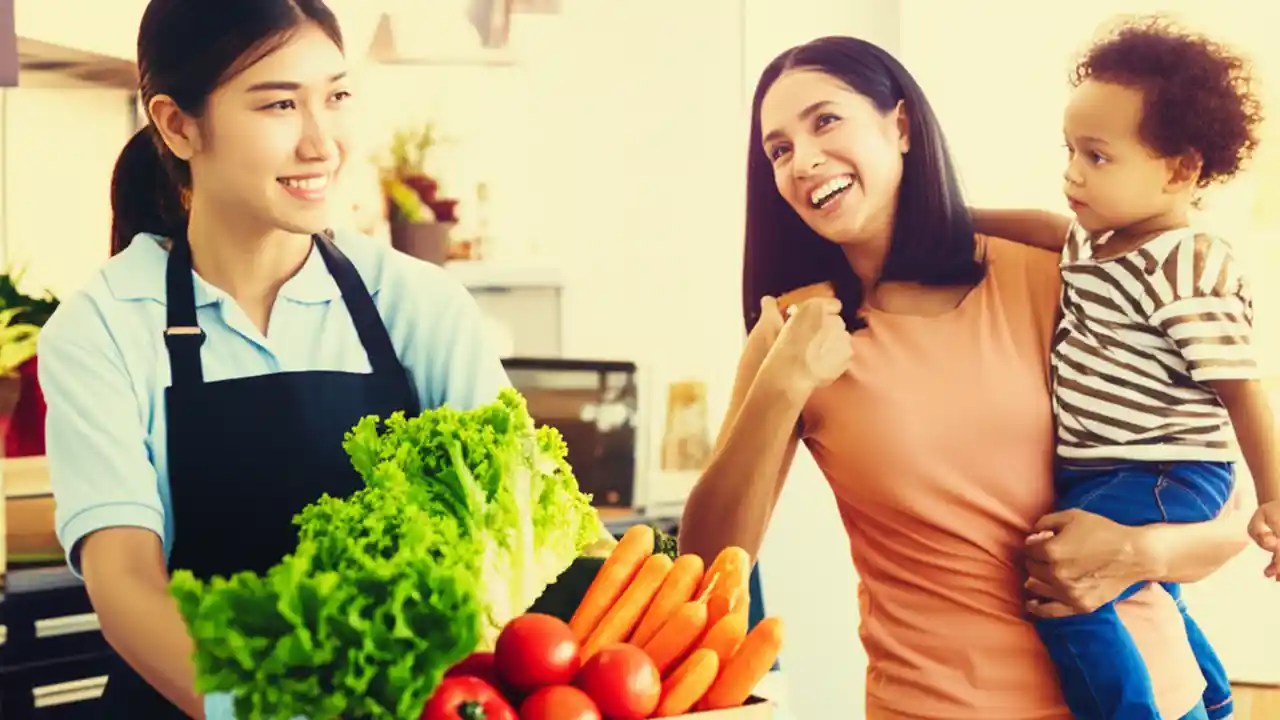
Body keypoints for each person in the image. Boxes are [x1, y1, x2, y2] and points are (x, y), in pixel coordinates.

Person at [678, 34, 1251, 720]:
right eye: (778, 149)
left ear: (901, 125)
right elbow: (709, 568)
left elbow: (1225, 515)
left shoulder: (1048, 279)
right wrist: (780, 389)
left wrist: (1135, 549)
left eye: (825, 121)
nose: (803, 160)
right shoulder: (794, 333)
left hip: (1150, 701)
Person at [37, 1, 510, 718]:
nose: (322, 143)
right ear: (177, 124)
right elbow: (127, 583)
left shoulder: (417, 305)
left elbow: (504, 540)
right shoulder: (101, 329)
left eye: (337, 96)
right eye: (280, 104)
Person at [969, 17, 1278, 720]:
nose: (1073, 171)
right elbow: (1048, 229)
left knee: (1061, 586)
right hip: (1104, 467)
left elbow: (1243, 391)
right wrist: (956, 216)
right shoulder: (1098, 241)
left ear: (1181, 169)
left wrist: (1274, 497)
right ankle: (1212, 696)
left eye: (1098, 156)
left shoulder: (1187, 264)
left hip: (1166, 469)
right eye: (1071, 150)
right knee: (1144, 592)